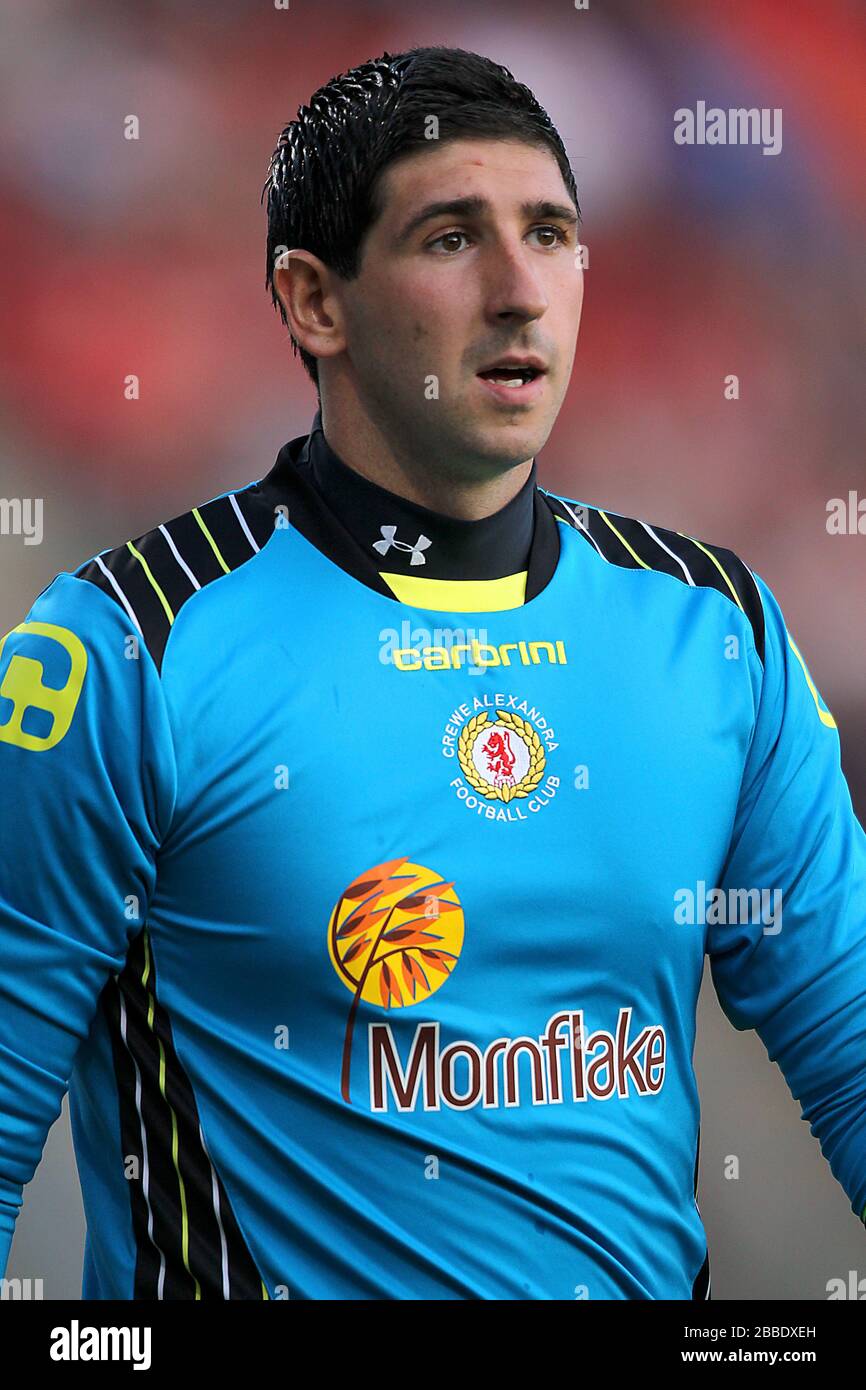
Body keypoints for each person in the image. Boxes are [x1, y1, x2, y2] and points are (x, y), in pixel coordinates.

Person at [1, 46, 863, 1301]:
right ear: (312, 302)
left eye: (551, 233)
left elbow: (850, 1051)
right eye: (452, 238)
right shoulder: (129, 645)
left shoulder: (711, 630)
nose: (520, 292)